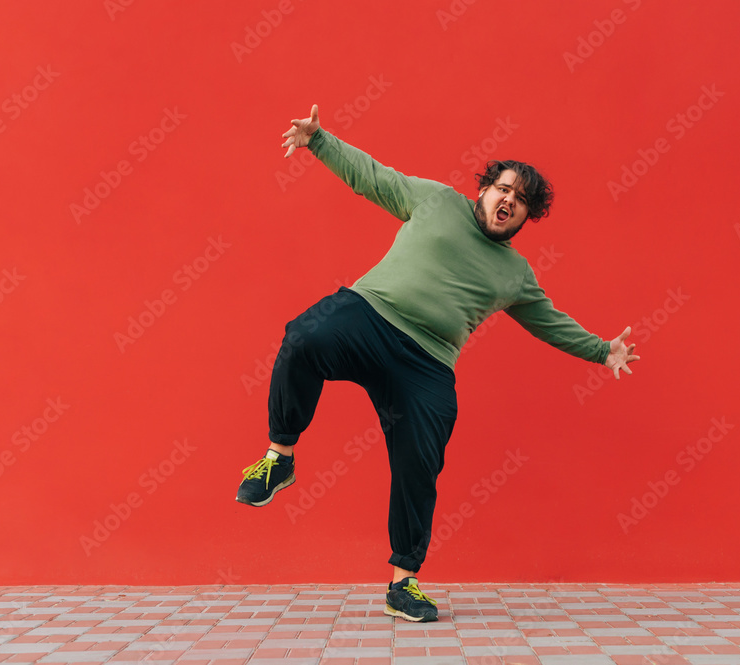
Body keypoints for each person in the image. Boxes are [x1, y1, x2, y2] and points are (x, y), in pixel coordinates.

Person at [236, 104, 640, 622]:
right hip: (369, 313)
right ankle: (280, 456)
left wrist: (602, 350)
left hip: (427, 363)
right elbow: (373, 178)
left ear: (525, 217)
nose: (508, 201)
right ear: (485, 188)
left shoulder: (515, 273)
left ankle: (404, 583)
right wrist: (320, 142)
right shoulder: (436, 200)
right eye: (504, 189)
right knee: (303, 338)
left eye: (520, 202)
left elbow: (548, 321)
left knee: (419, 463)